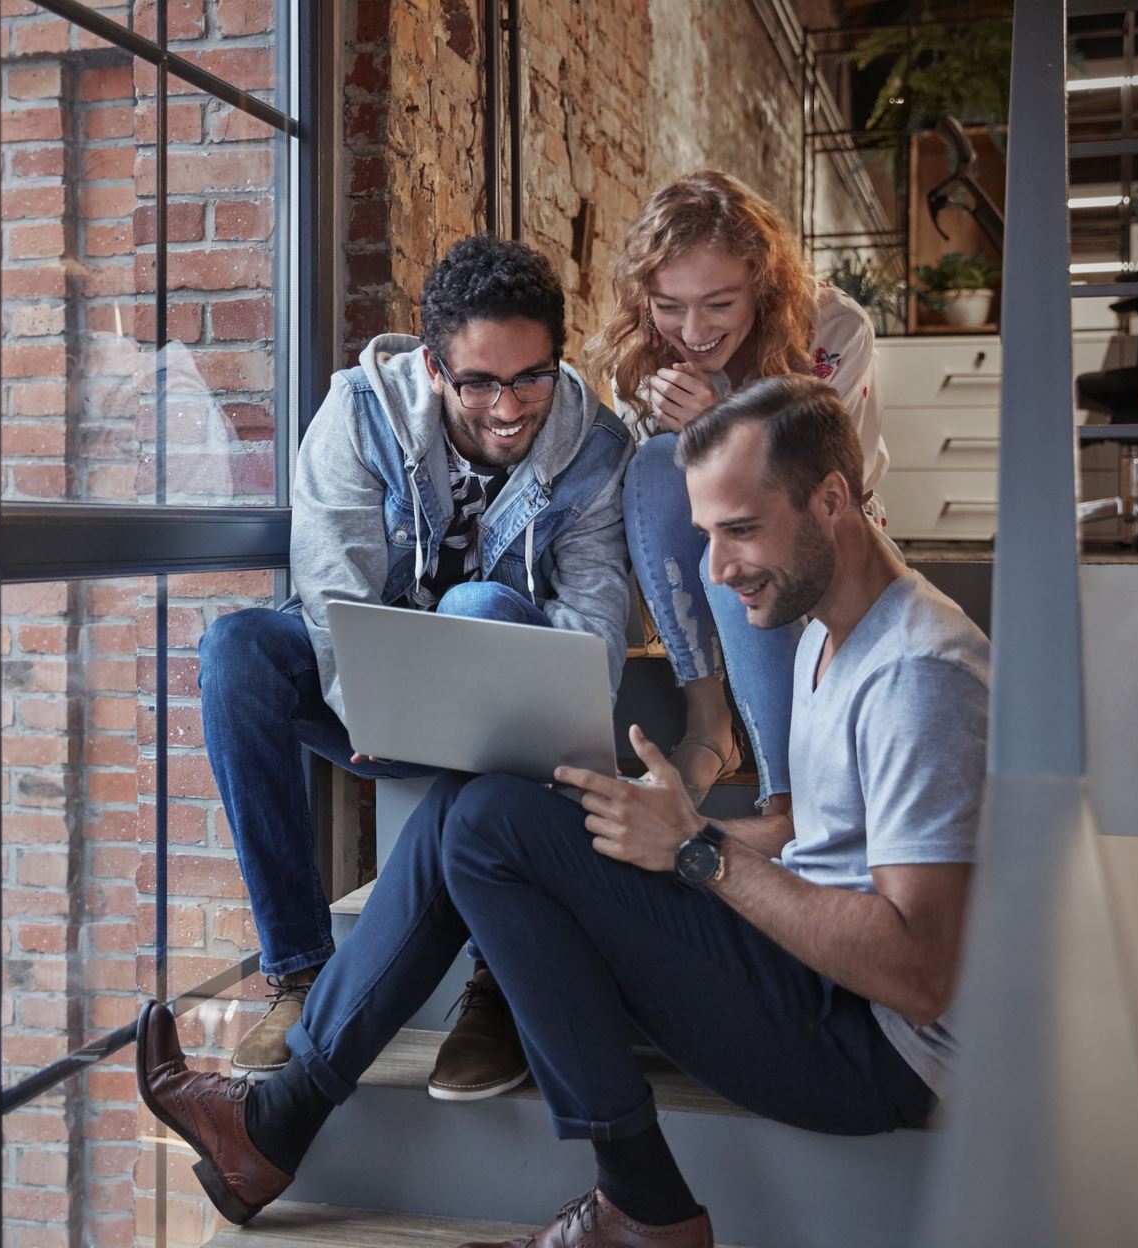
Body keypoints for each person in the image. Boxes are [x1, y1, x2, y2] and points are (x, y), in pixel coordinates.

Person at [141, 374, 988, 1245]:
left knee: (488, 826)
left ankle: (644, 1205)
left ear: (834, 499)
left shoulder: (917, 675)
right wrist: (656, 831)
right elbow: (834, 843)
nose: (721, 569)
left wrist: (699, 853)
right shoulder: (832, 626)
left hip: (867, 1051)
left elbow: (918, 974)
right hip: (805, 977)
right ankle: (272, 1128)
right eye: (706, 535)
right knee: (479, 806)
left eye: (741, 530)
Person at [198, 234, 634, 1100]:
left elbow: (591, 642)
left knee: (478, 611)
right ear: (435, 367)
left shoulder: (596, 453)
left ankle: (500, 981)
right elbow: (331, 600)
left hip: (512, 730)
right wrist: (371, 705)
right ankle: (301, 971)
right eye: (479, 382)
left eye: (531, 377)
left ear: (558, 357)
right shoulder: (360, 414)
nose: (509, 408)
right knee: (236, 650)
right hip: (368, 704)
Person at [586, 170, 891, 815]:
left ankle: (786, 797)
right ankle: (709, 722)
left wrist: (720, 418)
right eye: (669, 306)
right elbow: (658, 507)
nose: (692, 330)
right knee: (656, 467)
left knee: (727, 556)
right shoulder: (640, 354)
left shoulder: (834, 329)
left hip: (823, 535)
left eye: (719, 304)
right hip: (701, 555)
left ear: (761, 282)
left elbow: (828, 481)